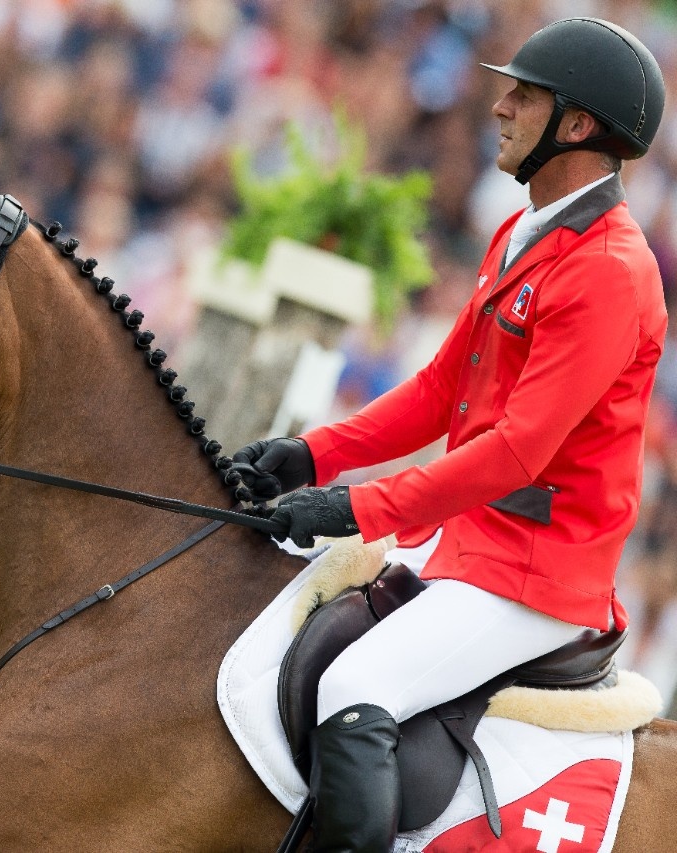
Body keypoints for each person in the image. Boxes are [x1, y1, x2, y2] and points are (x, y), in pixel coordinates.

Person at [233, 18, 668, 853]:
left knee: (353, 688)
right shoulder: (524, 233)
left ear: (576, 126)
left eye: (525, 96)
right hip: (474, 542)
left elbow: (513, 453)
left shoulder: (610, 272)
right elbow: (440, 391)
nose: (500, 105)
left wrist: (352, 507)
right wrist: (313, 453)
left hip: (537, 577)